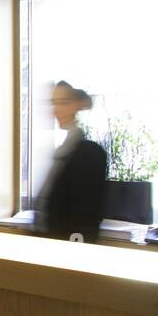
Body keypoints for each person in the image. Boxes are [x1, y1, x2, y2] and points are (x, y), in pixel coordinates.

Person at [33, 81, 107, 244]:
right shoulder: (62, 151)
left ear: (77, 105)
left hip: (67, 247)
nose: (57, 109)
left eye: (64, 103)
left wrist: (75, 249)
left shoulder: (90, 153)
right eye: (54, 103)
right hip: (49, 242)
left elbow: (87, 214)